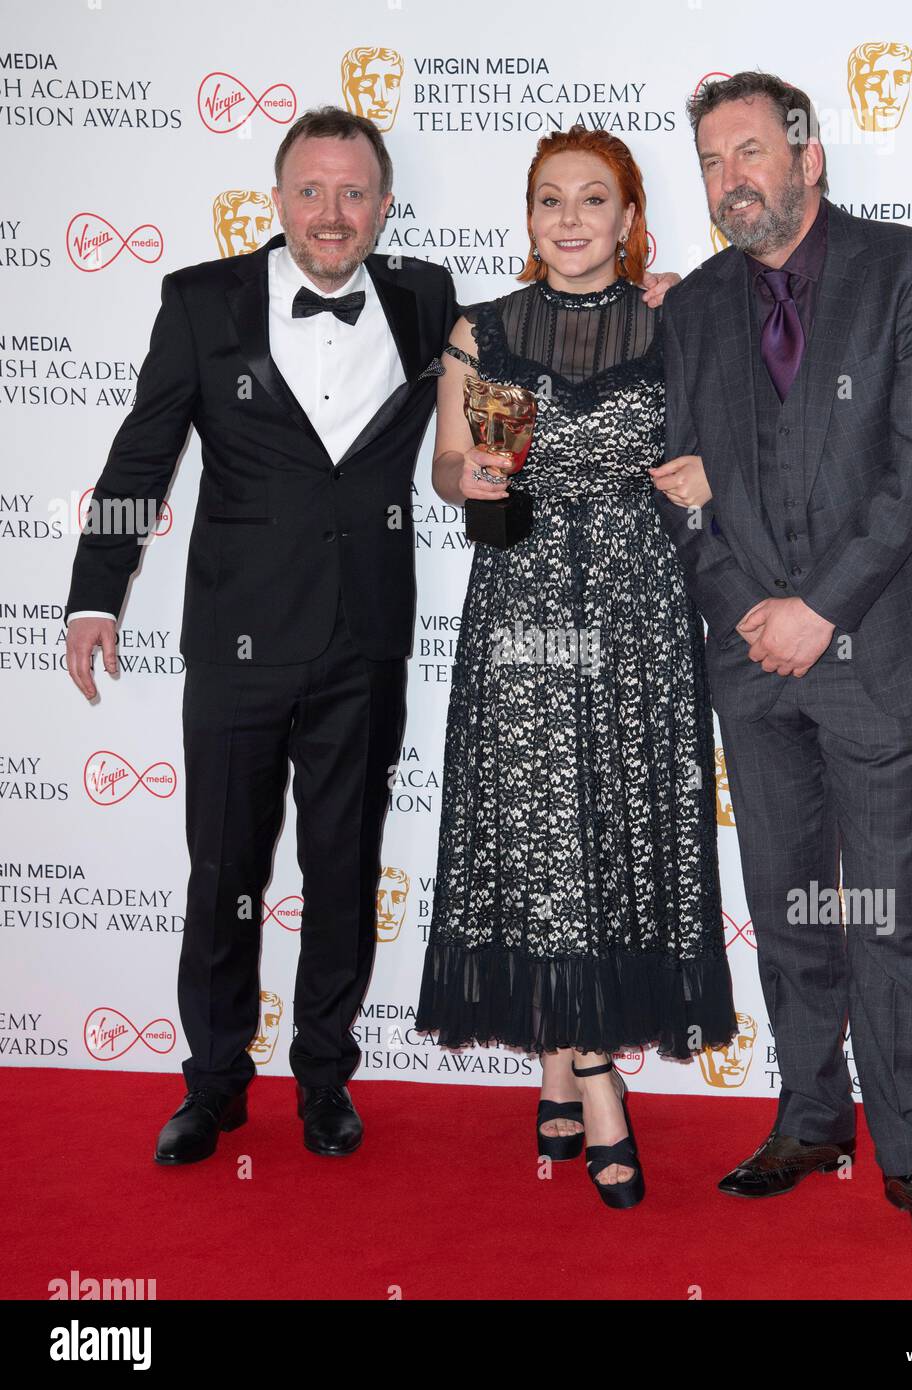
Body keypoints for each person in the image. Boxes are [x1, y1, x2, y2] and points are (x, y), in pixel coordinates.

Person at [651, 72, 912, 1247]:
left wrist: (820, 608)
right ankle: (809, 1118)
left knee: (881, 910)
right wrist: (755, 607)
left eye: (748, 151)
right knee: (784, 903)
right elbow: (678, 484)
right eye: (710, 160)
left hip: (880, 648)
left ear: (807, 157)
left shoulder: (909, 271)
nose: (729, 179)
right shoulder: (694, 305)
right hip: (750, 655)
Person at [64, 106, 458, 1164]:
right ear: (276, 199)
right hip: (237, 639)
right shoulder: (202, 301)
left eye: (354, 193)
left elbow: (535, 334)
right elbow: (139, 458)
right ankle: (214, 1084)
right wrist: (95, 595)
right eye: (311, 191)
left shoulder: (427, 300)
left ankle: (325, 1079)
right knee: (223, 869)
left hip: (364, 641)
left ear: (382, 204)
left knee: (341, 868)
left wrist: (663, 294)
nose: (332, 214)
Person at [415, 126, 737, 1210]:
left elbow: (719, 447)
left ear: (627, 214)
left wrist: (705, 481)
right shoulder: (481, 330)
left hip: (640, 609)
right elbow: (447, 468)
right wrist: (479, 480)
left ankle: (557, 1061)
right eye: (548, 200)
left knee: (613, 825)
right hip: (522, 604)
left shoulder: (673, 322)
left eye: (590, 200)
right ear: (528, 219)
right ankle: (594, 1079)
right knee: (544, 829)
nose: (567, 219)